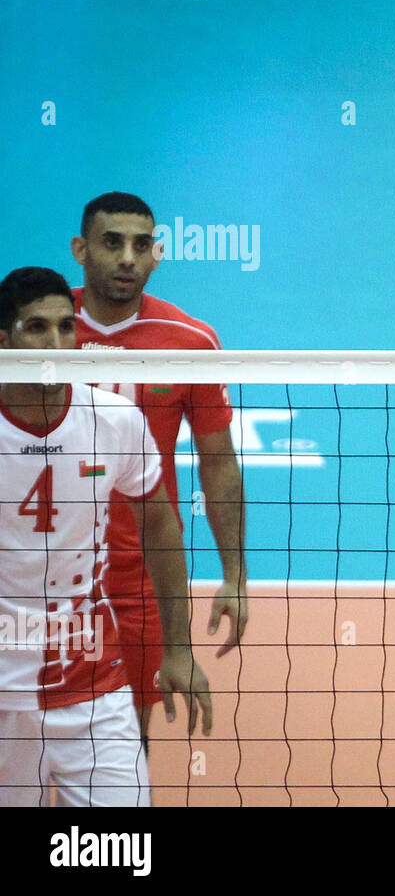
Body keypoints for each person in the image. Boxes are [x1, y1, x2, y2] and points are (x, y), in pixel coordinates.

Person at [0, 267, 212, 806]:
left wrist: (179, 648)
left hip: (93, 686)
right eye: (36, 328)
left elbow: (161, 531)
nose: (56, 343)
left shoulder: (114, 420)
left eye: (66, 327)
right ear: (4, 340)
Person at [69, 192, 248, 746]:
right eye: (111, 242)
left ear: (156, 255)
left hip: (140, 582)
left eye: (140, 244)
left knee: (123, 755)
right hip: (38, 580)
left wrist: (235, 575)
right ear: (81, 249)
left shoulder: (189, 341)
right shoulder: (35, 335)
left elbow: (218, 464)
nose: (127, 257)